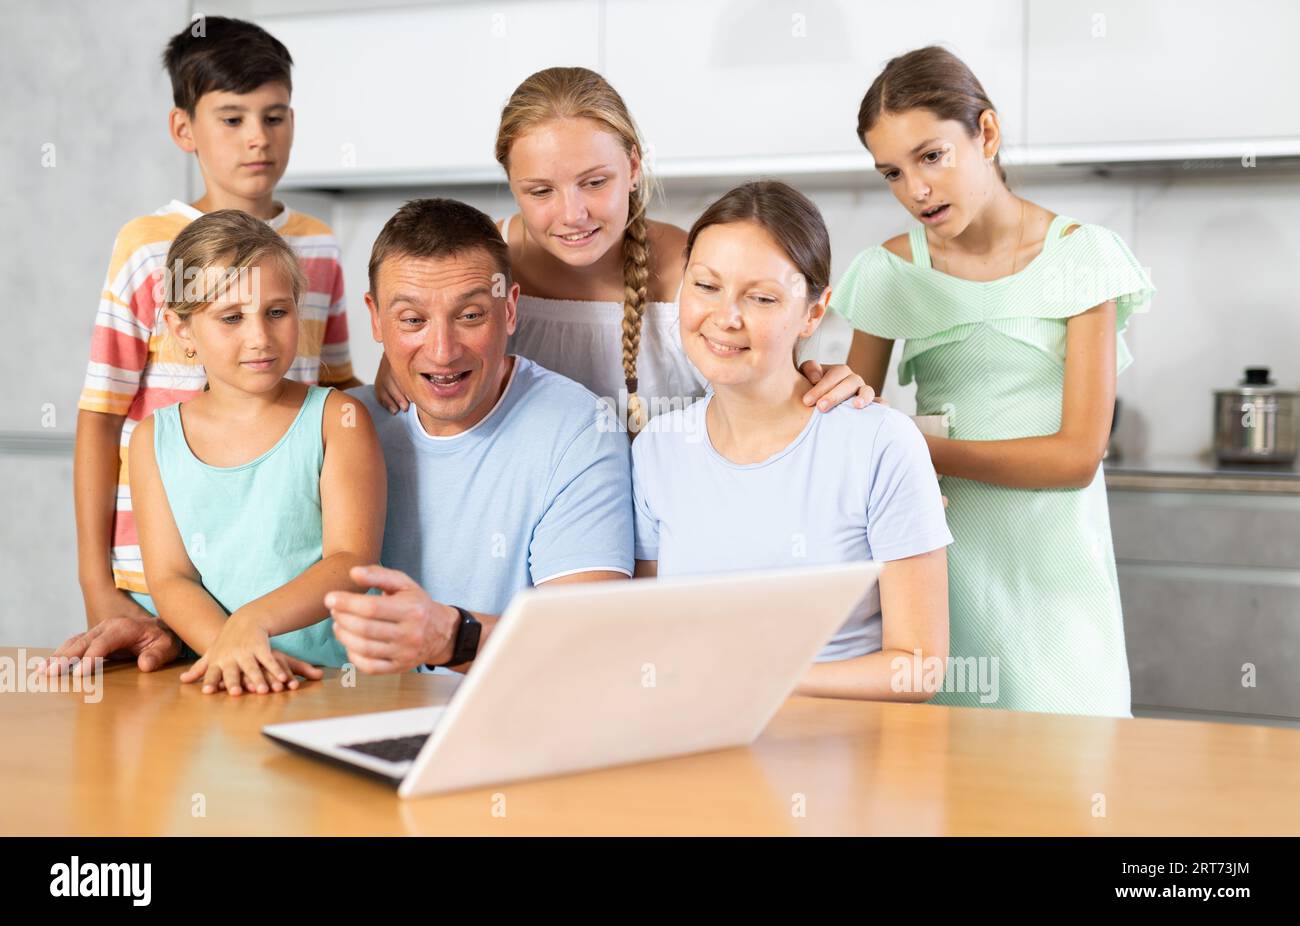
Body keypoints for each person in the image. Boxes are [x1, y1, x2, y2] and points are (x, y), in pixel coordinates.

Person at [834, 47, 1155, 716]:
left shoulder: (1081, 257)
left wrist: (919, 452)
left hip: (1058, 574)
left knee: (1076, 785)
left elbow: (1074, 458)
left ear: (986, 133)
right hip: (938, 572)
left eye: (931, 157)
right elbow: (847, 432)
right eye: (891, 172)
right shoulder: (888, 272)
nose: (915, 190)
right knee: (949, 793)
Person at [70, 16, 361, 672]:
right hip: (154, 582)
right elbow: (100, 416)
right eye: (232, 118)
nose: (258, 138)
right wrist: (96, 584)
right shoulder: (146, 247)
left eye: (275, 115)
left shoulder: (316, 243)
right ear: (184, 130)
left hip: (277, 578)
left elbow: (337, 387)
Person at [371, 66, 875, 430]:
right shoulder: (472, 274)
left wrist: (822, 382)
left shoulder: (695, 274)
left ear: (634, 166)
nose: (572, 215)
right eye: (541, 191)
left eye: (594, 182)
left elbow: (765, 395)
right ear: (511, 182)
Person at [632, 181, 952, 701]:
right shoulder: (656, 449)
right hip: (697, 748)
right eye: (706, 286)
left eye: (761, 298)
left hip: (843, 756)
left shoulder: (880, 442)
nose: (726, 317)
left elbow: (919, 667)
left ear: (813, 311)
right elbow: (646, 633)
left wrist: (754, 686)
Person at [327, 198, 634, 673]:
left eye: (470, 316)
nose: (443, 351)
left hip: (509, 727)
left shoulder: (580, 430)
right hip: (338, 717)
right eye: (412, 320)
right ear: (375, 319)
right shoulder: (344, 426)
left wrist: (451, 637)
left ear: (510, 309)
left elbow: (588, 642)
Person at [134, 210, 382, 695]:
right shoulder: (153, 440)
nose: (260, 338)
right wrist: (234, 650)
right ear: (181, 330)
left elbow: (351, 559)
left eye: (276, 312)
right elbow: (170, 579)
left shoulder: (339, 419)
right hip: (226, 679)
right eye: (231, 318)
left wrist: (253, 622)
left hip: (333, 685)